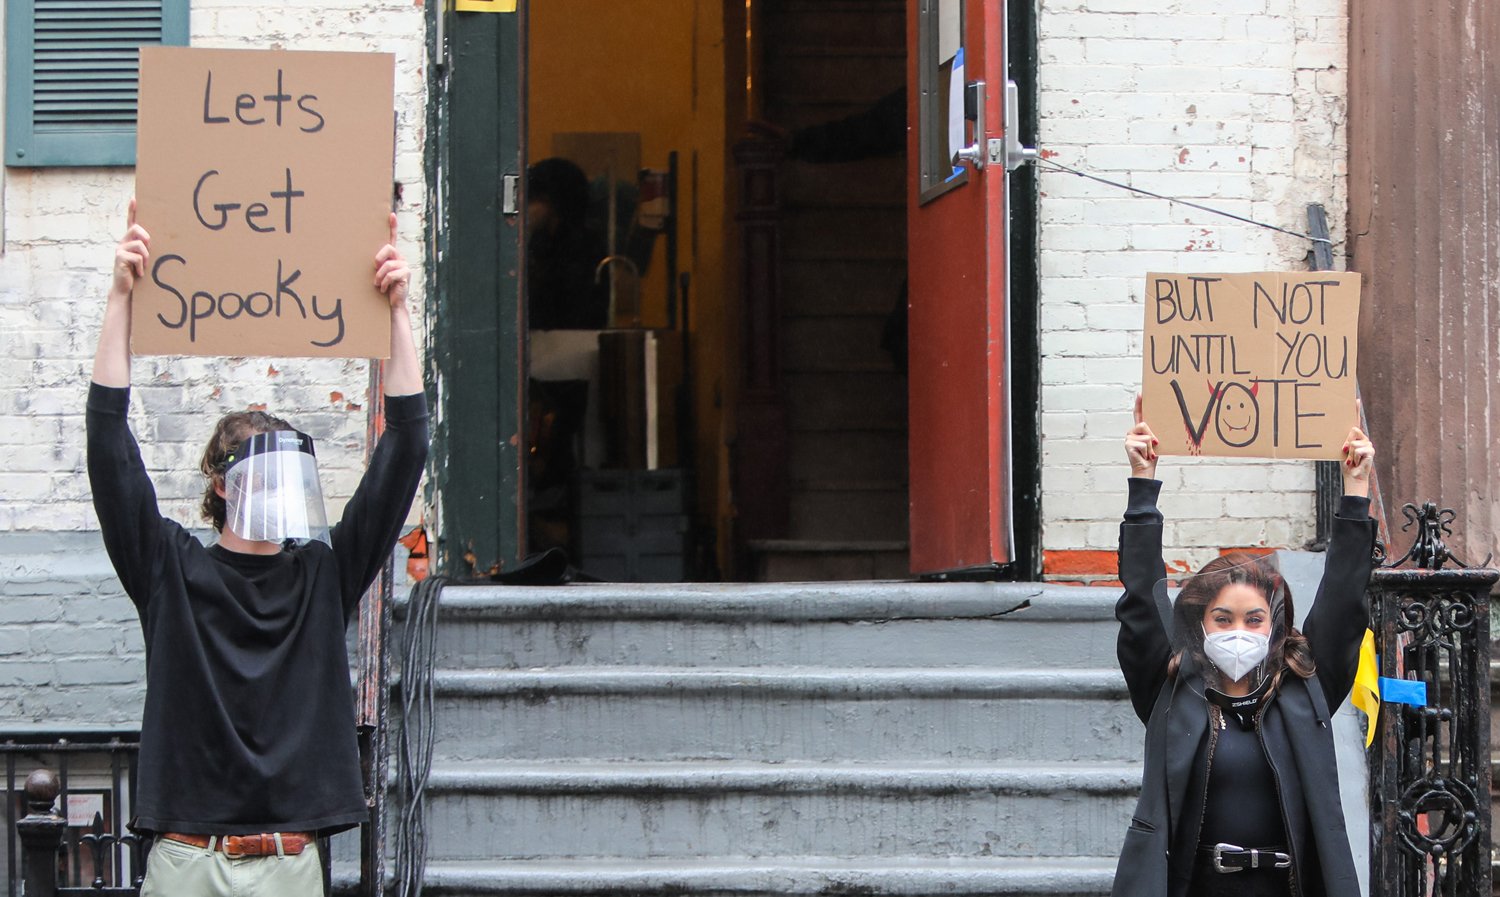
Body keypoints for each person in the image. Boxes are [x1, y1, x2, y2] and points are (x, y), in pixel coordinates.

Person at [87, 200, 429, 897]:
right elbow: (109, 445)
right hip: (187, 861)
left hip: (286, 863)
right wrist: (121, 297)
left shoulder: (320, 574)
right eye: (260, 471)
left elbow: (407, 444)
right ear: (221, 482)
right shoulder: (169, 567)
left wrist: (397, 311)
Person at [1113, 394, 1377, 897]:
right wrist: (1143, 486)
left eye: (1254, 619)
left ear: (1274, 627)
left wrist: (1356, 489)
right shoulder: (1172, 691)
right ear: (1200, 624)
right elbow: (1141, 605)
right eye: (1223, 618)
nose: (1239, 629)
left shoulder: (1305, 689)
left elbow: (1343, 604)